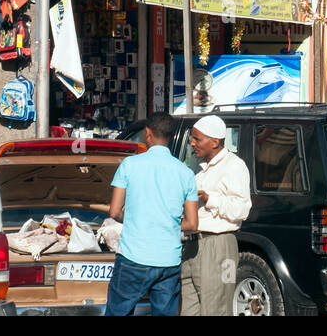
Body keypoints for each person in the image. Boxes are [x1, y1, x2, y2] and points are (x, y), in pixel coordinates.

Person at [105, 112, 198, 316]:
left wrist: (133, 219)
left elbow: (114, 211)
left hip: (133, 257)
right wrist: (168, 223)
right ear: (172, 137)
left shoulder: (129, 165)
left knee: (118, 311)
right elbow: (192, 223)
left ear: (147, 133)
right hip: (168, 260)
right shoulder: (186, 174)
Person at [180, 114, 251, 317]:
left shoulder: (234, 166)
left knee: (216, 309)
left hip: (219, 246)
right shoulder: (198, 167)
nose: (192, 143)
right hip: (192, 244)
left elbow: (241, 209)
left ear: (214, 142)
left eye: (197, 139)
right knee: (188, 309)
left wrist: (210, 198)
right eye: (192, 138)